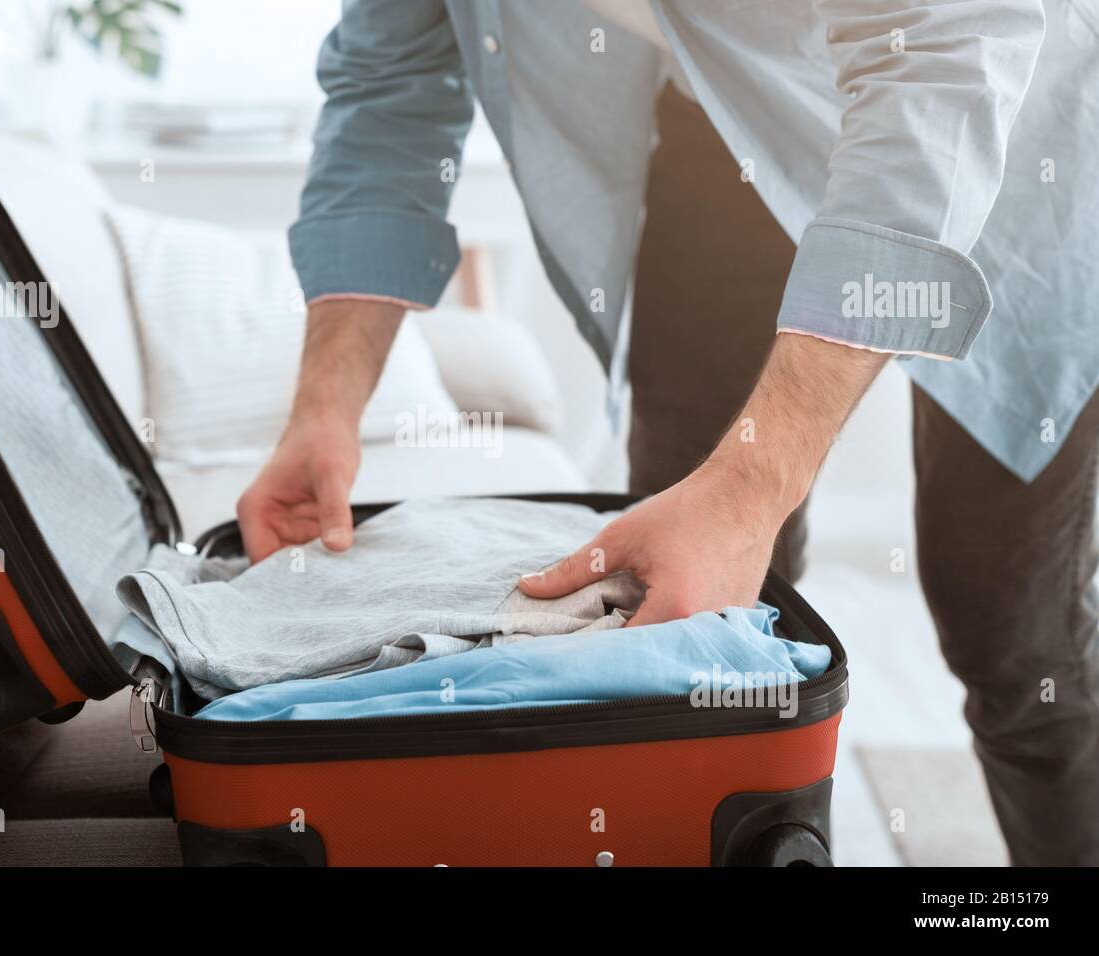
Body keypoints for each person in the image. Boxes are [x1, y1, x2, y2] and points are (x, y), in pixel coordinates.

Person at [236, 0, 1099, 865]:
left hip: (1020, 132)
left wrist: (753, 484)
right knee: (689, 626)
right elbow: (394, 86)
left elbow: (949, 47)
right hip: (726, 131)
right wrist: (326, 409)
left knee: (1013, 635)